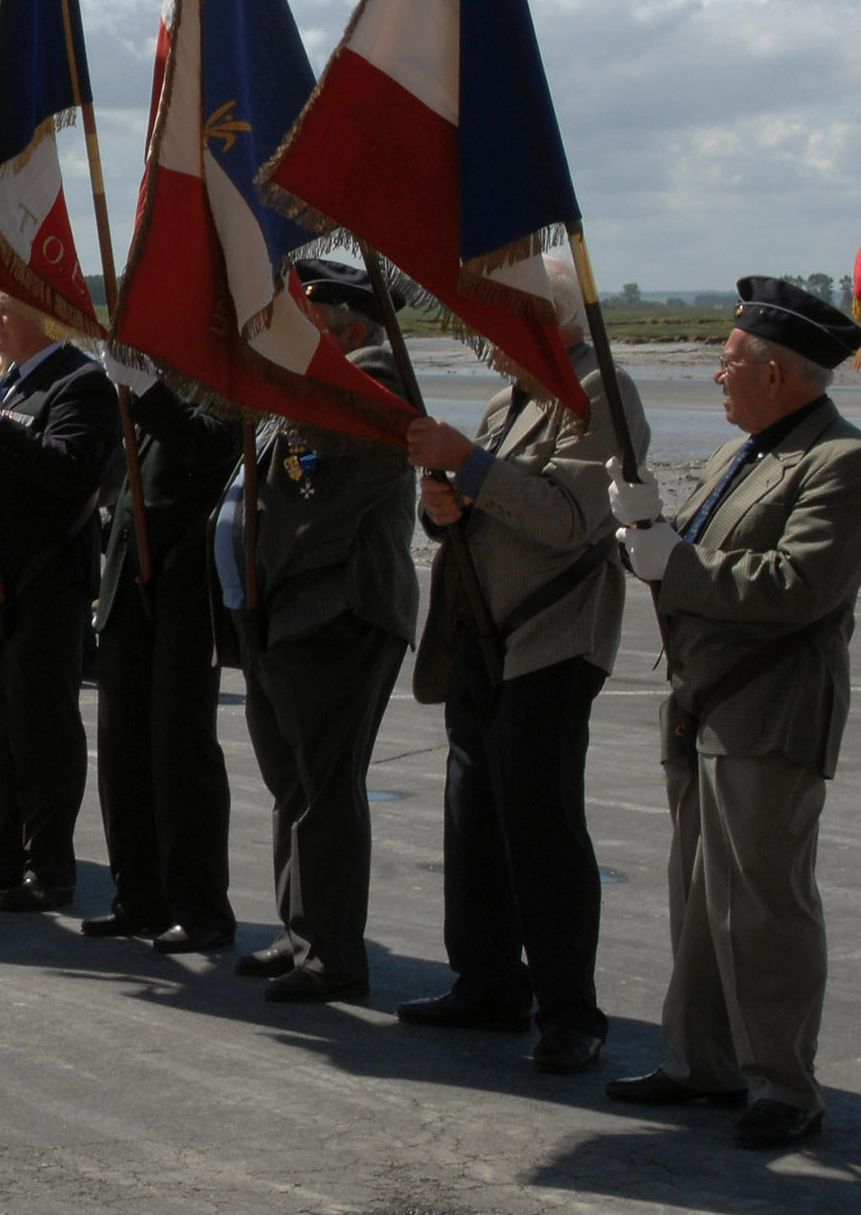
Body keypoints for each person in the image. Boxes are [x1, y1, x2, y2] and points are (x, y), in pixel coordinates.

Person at [607, 277, 861, 1151]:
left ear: (778, 374)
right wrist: (649, 527)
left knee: (765, 905)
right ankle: (703, 1060)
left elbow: (800, 585)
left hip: (772, 712)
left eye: (729, 362)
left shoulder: (838, 459)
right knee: (700, 898)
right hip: (705, 705)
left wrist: (669, 562)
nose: (717, 377)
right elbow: (701, 553)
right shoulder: (740, 452)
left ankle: (786, 1085)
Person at [401, 255, 649, 1074]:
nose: (488, 339)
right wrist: (443, 507)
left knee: (542, 827)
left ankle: (569, 1009)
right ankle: (487, 981)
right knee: (473, 819)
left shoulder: (597, 393)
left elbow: (570, 516)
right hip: (481, 634)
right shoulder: (514, 398)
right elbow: (479, 507)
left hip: (551, 638)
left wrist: (468, 466)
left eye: (505, 318)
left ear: (551, 317)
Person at [227, 262, 420, 1002]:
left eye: (308, 317)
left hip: (338, 610)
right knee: (294, 783)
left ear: (350, 328)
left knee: (325, 785)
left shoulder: (374, 382)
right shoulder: (310, 385)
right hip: (287, 612)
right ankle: (300, 927)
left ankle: (332, 953)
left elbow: (313, 484)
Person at [0, 296, 118, 909]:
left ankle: (51, 867)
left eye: (4, 310)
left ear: (45, 316)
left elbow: (71, 471)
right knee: (1, 731)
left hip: (42, 584)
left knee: (43, 730)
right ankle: (4, 856)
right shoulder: (5, 381)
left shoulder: (79, 383)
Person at [87, 352, 244, 950]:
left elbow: (211, 449)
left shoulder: (220, 384)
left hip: (185, 587)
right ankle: (138, 895)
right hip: (129, 580)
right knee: (123, 750)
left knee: (180, 754)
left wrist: (149, 389)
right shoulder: (159, 387)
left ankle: (201, 908)